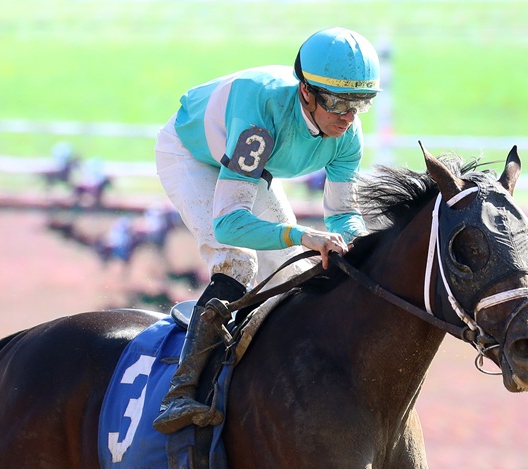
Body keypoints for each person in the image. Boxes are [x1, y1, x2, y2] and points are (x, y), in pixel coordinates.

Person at [152, 26, 381, 433]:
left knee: (294, 269)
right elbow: (229, 224)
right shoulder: (261, 116)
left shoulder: (349, 135)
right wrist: (303, 236)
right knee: (238, 261)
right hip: (191, 156)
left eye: (360, 104)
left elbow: (343, 214)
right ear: (306, 92)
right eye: (338, 103)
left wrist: (362, 248)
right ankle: (180, 392)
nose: (348, 117)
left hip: (248, 168)